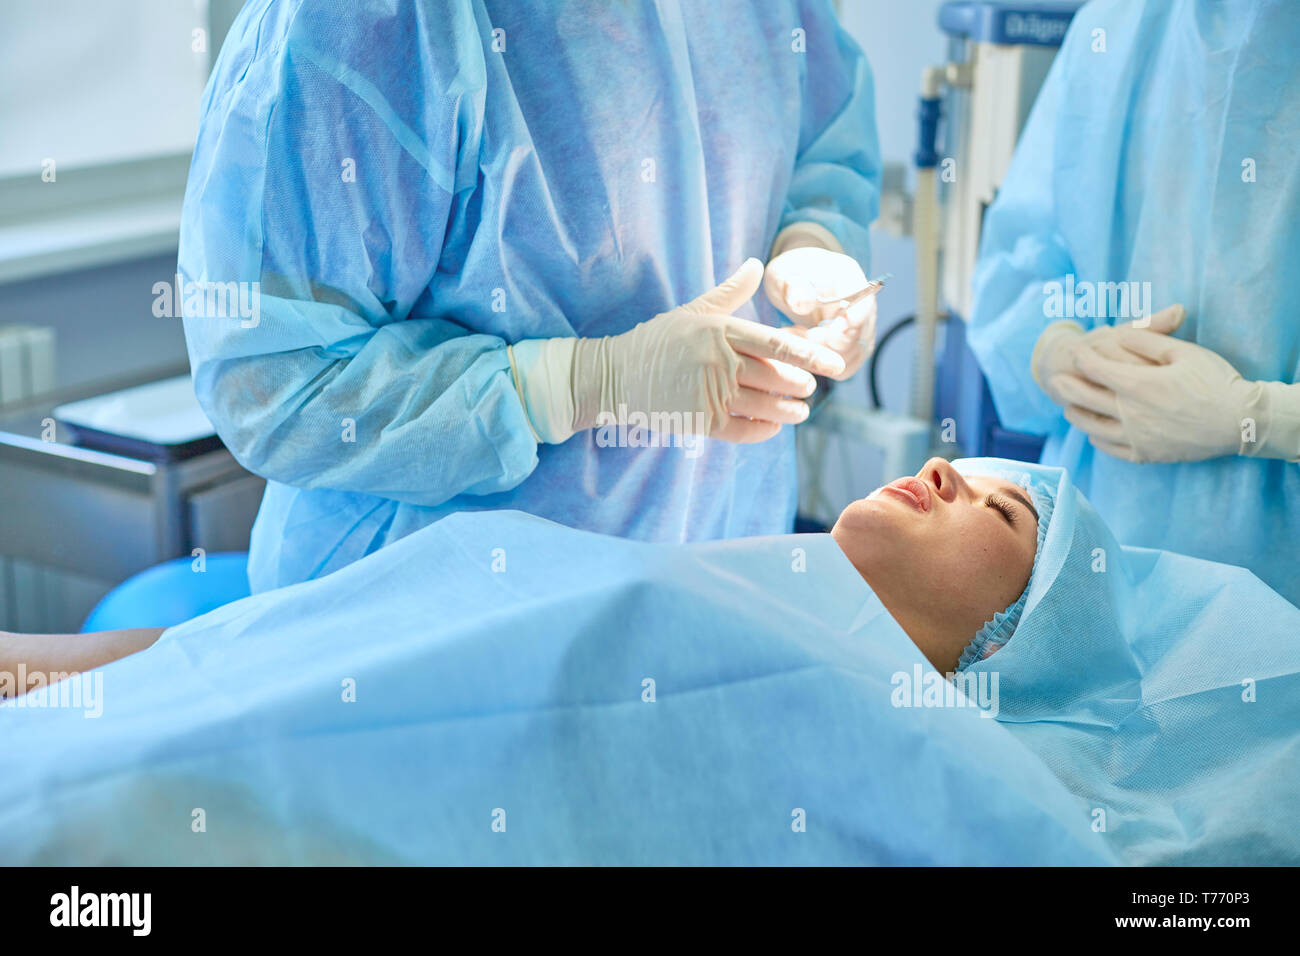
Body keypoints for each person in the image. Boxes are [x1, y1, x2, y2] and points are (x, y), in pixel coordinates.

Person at [5, 457, 1299, 865]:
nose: (956, 467)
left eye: (1001, 516)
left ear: (1015, 649)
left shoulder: (914, 742)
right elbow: (384, 634)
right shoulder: (749, 585)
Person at [179, 0, 882, 592]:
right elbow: (276, 387)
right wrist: (580, 385)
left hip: (711, 569)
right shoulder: (380, 21)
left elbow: (821, 129)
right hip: (428, 633)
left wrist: (815, 237)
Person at [967, 0, 1300, 605]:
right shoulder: (1115, 28)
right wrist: (1051, 347)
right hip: (1102, 547)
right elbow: (1026, 255)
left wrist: (1268, 418)